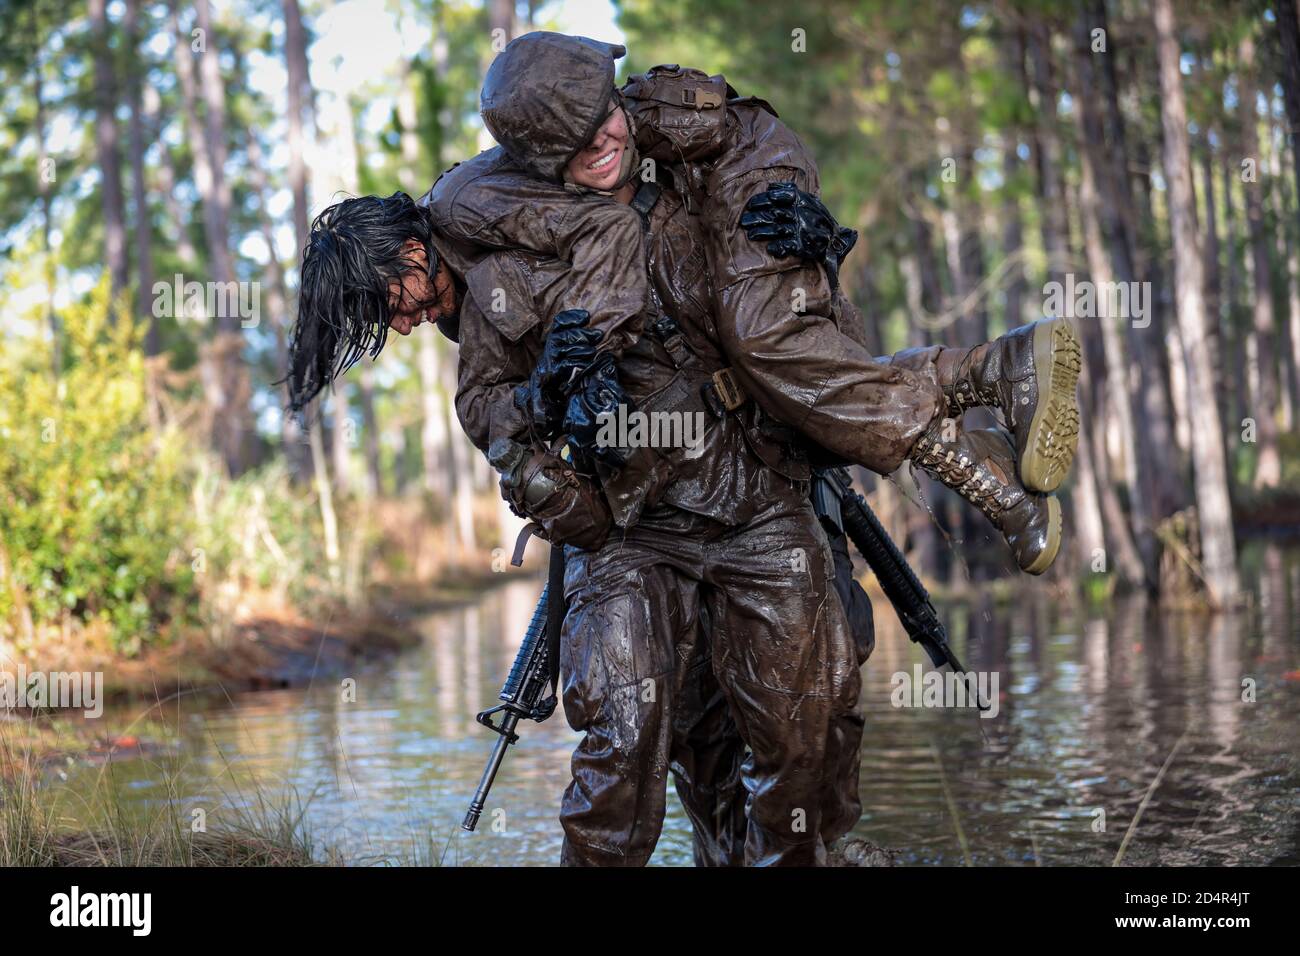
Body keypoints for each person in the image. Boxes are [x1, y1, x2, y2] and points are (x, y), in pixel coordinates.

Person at [285, 33, 1082, 865]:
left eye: (395, 303)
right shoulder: (487, 283)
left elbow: (793, 334)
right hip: (634, 531)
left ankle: (986, 410)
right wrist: (553, 416)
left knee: (804, 743)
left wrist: (812, 237)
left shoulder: (668, 165)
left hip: (758, 498)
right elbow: (497, 423)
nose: (404, 322)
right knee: (631, 747)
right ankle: (985, 404)